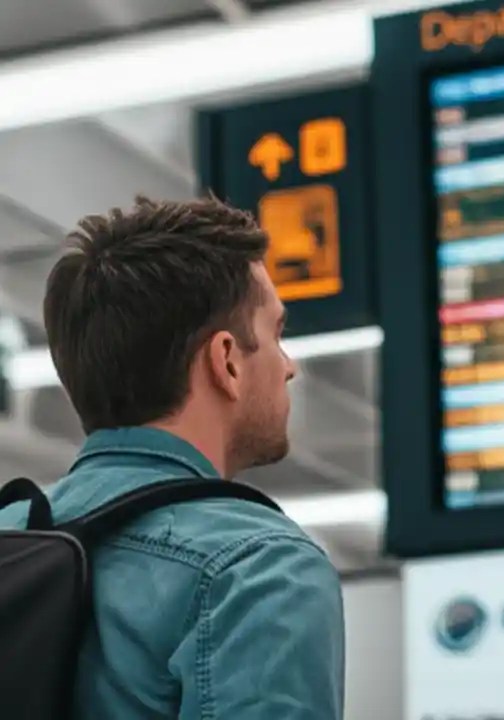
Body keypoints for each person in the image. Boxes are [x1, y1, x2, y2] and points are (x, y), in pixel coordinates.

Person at [0, 196, 345, 719]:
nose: (289, 365)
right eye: (276, 334)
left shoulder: (10, 530)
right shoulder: (258, 569)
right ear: (226, 360)